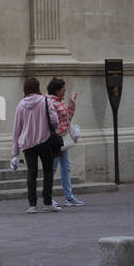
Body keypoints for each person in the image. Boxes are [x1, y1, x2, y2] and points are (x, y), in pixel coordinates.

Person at [12, 77, 62, 212]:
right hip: (44, 140)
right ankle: (47, 202)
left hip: (27, 144)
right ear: (38, 87)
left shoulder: (21, 105)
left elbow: (16, 130)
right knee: (48, 171)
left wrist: (15, 154)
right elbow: (54, 120)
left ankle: (32, 205)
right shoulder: (45, 101)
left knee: (31, 173)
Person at [47, 78, 84, 206]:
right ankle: (49, 197)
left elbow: (68, 118)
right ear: (57, 90)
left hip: (63, 138)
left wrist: (71, 103)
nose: (65, 89)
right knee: (52, 168)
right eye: (63, 87)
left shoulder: (60, 102)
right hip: (56, 140)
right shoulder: (51, 102)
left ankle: (69, 196)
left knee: (66, 167)